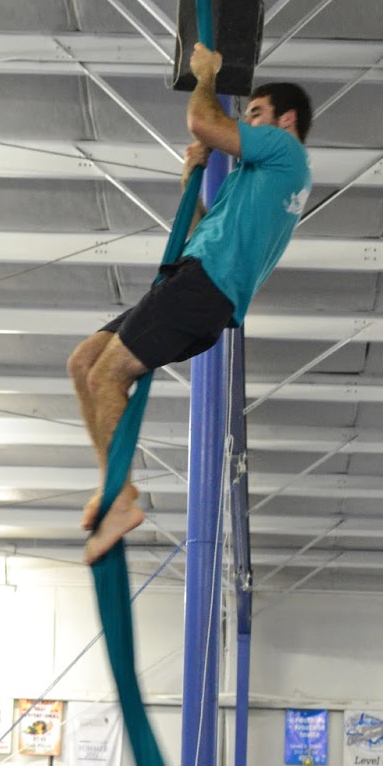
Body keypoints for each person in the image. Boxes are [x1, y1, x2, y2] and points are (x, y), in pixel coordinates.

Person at [68, 42, 312, 563]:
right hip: (194, 278)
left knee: (106, 376)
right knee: (84, 361)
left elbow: (203, 120)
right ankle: (116, 488)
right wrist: (189, 181)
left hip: (207, 288)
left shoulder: (286, 152)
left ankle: (121, 503)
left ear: (286, 120)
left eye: (256, 114)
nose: (245, 123)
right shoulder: (254, 182)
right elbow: (202, 232)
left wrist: (206, 75)